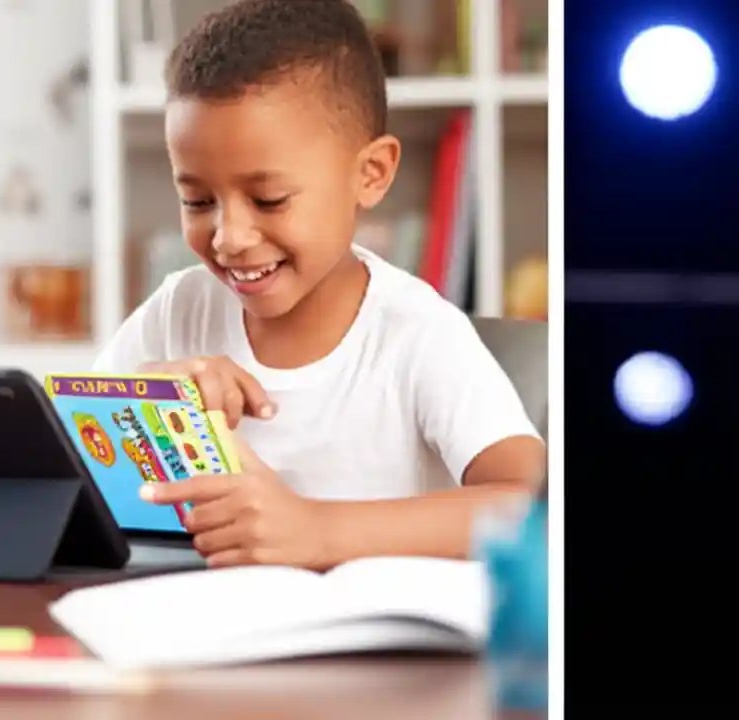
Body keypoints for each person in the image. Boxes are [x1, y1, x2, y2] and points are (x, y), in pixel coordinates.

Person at [92, 0, 545, 571]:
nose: (229, 237)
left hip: (372, 649)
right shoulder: (178, 311)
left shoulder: (418, 333)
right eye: (198, 201)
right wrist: (136, 401)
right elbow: (64, 469)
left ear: (370, 174)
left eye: (269, 200)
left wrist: (318, 530)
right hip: (209, 635)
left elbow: (530, 509)